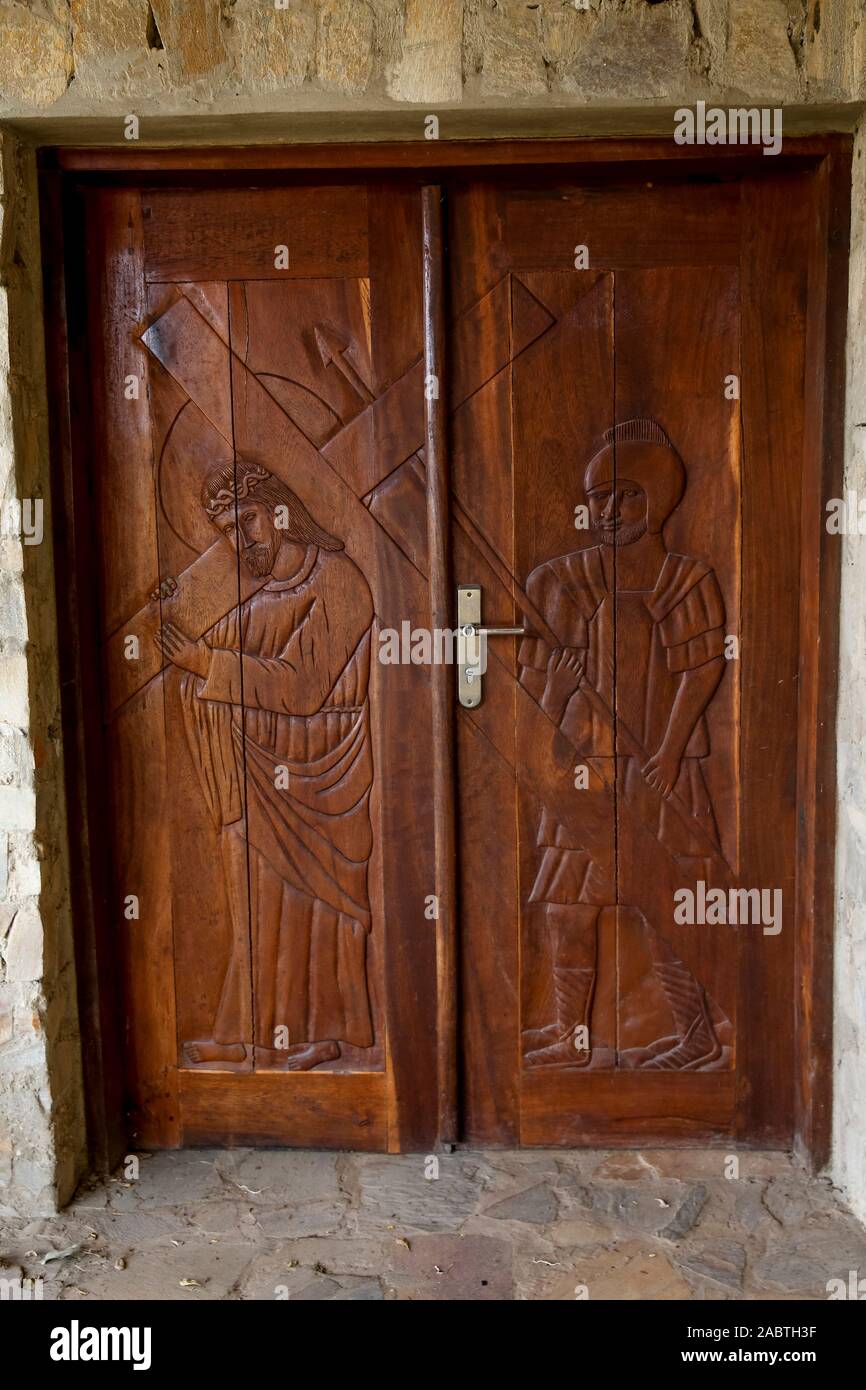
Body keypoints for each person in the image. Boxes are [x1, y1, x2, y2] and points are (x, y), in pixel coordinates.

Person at [154, 459, 375, 1070]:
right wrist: (181, 611)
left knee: (315, 899)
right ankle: (245, 1029)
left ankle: (326, 1031)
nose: (240, 538)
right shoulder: (253, 593)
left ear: (281, 511)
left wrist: (207, 665)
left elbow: (303, 686)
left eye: (247, 519)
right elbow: (215, 655)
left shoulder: (339, 580)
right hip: (254, 765)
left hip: (322, 771)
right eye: (227, 529)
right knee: (250, 896)